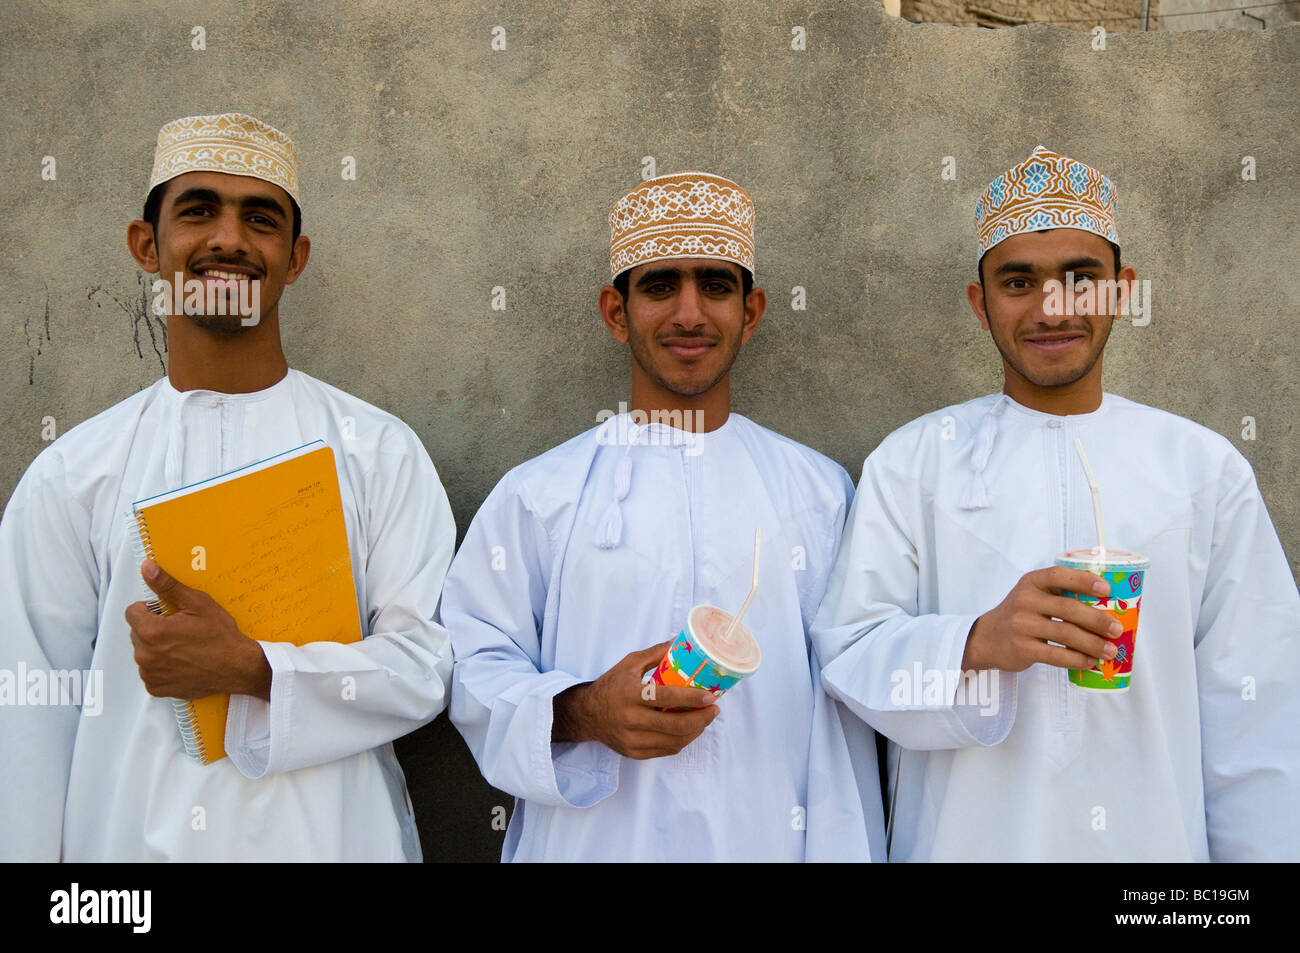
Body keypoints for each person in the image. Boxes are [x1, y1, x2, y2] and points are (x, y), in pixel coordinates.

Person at [811, 146, 1300, 861]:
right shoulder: (914, 461)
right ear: (981, 303)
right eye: (1019, 281)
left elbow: (1258, 715)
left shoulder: (1203, 468)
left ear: (1122, 289)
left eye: (1082, 278)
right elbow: (849, 657)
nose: (1052, 307)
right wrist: (978, 642)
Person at [0, 113, 455, 861]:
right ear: (147, 246)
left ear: (295, 257)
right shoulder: (73, 475)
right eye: (198, 210)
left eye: (261, 218)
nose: (230, 239)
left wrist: (254, 668)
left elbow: (425, 668)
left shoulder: (377, 450)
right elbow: (27, 723)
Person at [441, 171, 885, 861]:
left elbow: (858, 680)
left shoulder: (819, 494)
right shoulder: (540, 494)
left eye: (714, 284)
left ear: (752, 309)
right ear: (616, 313)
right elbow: (472, 668)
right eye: (658, 286)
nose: (688, 313)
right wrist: (582, 710)